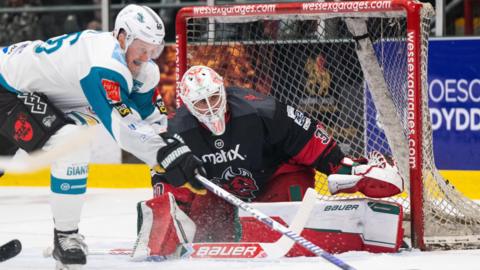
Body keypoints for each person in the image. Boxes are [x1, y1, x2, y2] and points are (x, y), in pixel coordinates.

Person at [0, 4, 203, 269]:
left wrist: (177, 152)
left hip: (31, 93)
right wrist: (164, 155)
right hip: (7, 88)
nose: (147, 57)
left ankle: (65, 237)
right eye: (142, 47)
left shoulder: (144, 72)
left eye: (155, 50)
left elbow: (152, 122)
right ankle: (66, 238)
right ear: (122, 37)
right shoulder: (102, 62)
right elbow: (123, 127)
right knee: (70, 142)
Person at [133, 65, 404, 258]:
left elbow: (311, 142)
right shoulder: (179, 132)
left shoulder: (261, 110)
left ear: (223, 92)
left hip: (278, 179)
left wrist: (350, 170)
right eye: (201, 103)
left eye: (214, 97)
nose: (211, 106)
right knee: (207, 234)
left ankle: (344, 232)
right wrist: (164, 216)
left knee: (283, 218)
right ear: (189, 106)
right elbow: (168, 178)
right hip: (224, 194)